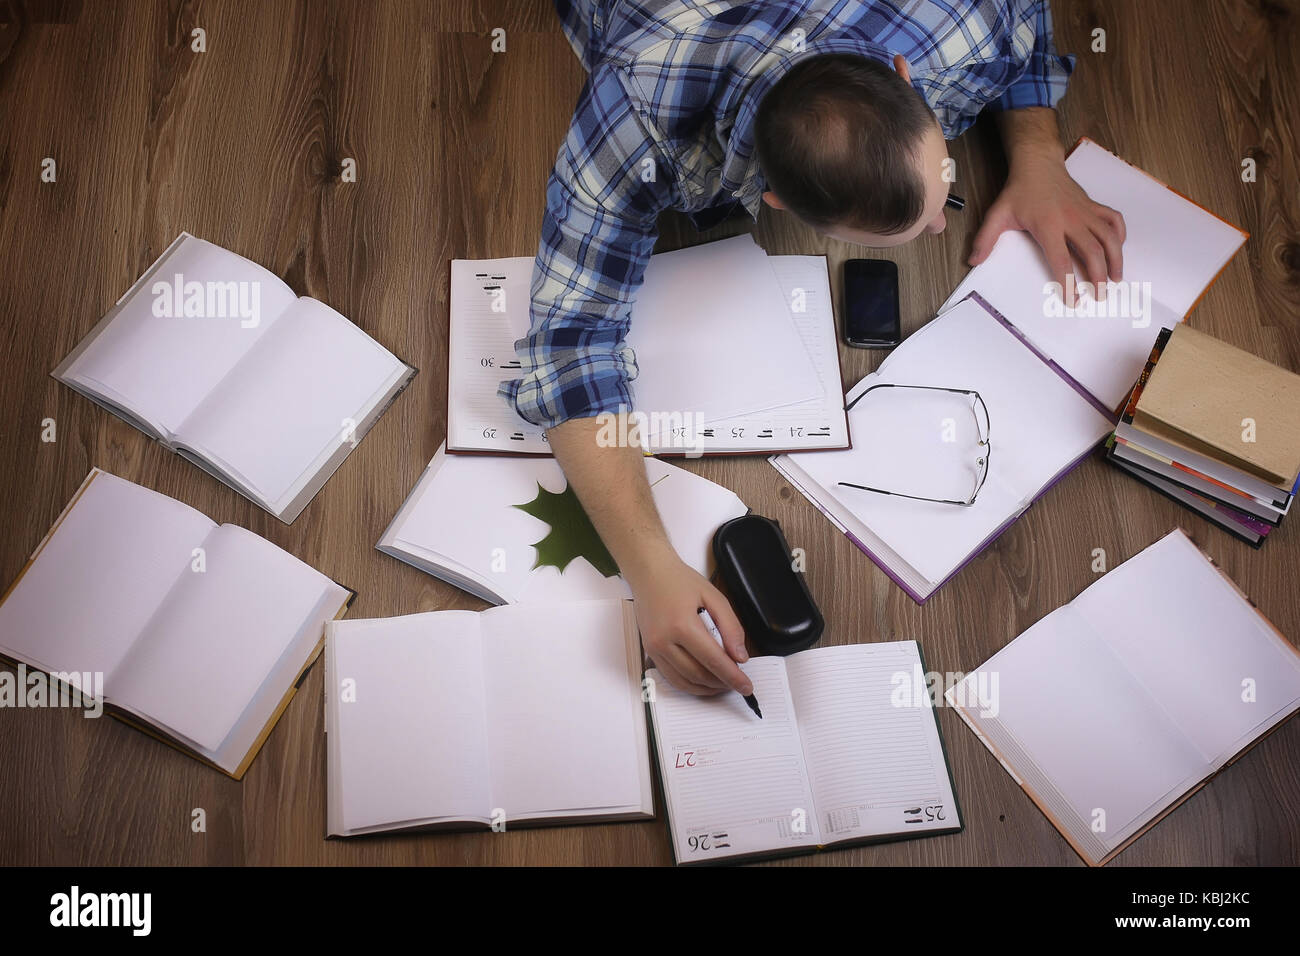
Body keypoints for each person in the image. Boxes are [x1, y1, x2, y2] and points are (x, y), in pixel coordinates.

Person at [499, 0, 1125, 697]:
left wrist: (1037, 154)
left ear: (905, 76)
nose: (938, 231)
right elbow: (571, 346)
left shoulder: (957, 18)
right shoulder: (633, 114)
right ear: (776, 204)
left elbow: (1027, 17)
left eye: (941, 188)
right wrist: (649, 567)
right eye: (916, 227)